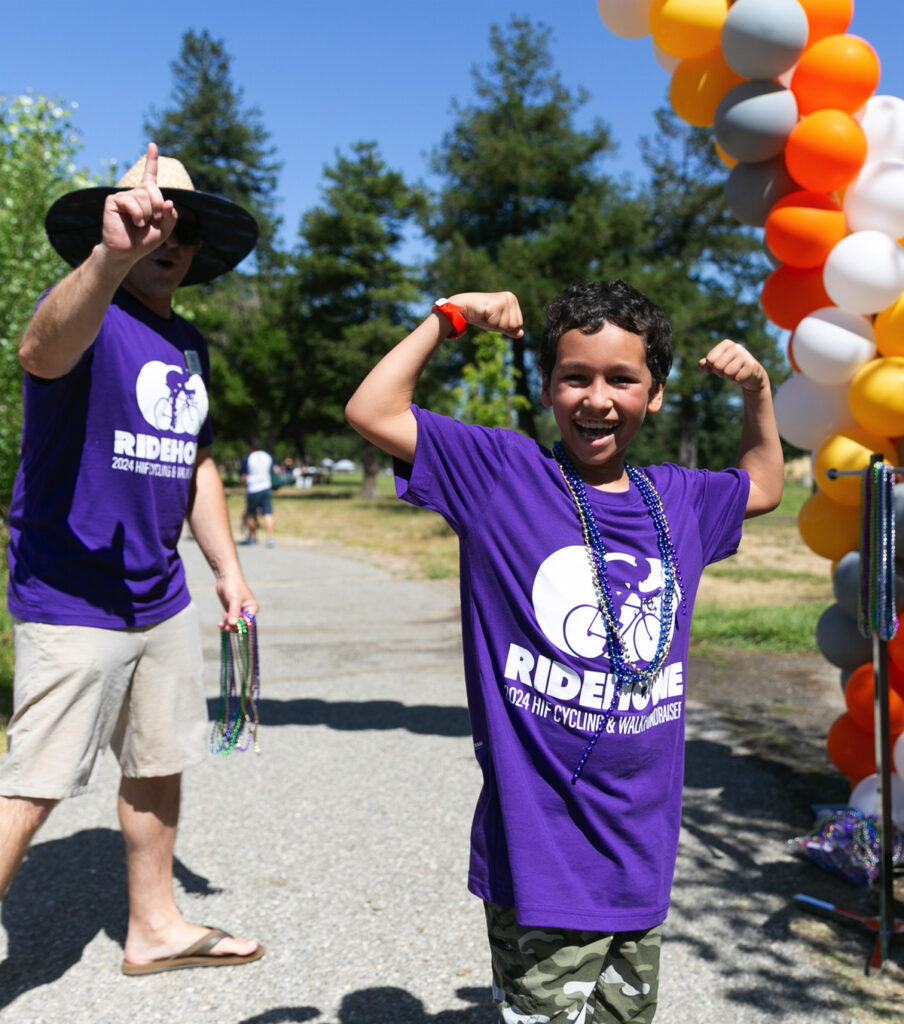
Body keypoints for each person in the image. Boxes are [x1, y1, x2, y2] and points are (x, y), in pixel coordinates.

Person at [345, 284, 783, 1023]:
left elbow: (765, 484)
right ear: (548, 386)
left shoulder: (679, 499)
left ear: (657, 393)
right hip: (541, 847)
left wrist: (758, 394)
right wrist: (450, 319)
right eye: (576, 377)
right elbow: (372, 410)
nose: (598, 399)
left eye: (622, 379)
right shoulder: (500, 476)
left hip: (641, 848)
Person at [1, 143, 265, 975]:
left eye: (181, 229)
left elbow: (197, 463)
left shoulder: (188, 345)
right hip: (70, 595)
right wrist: (108, 261)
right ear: (117, 226)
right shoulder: (88, 310)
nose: (168, 239)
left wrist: (226, 567)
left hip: (160, 598)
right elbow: (38, 352)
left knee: (158, 759)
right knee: (34, 782)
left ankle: (153, 927)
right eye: (152, 221)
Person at [240, 440, 275, 547]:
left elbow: (243, 476)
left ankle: (252, 536)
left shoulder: (248, 458)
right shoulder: (268, 457)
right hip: (266, 487)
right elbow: (275, 470)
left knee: (251, 514)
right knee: (267, 513)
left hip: (253, 488)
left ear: (250, 447)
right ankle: (270, 538)